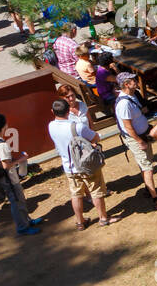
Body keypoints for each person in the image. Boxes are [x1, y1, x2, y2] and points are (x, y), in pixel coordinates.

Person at [48, 97, 117, 229]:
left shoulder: (51, 126)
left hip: (69, 167)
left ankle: (80, 221)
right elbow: (95, 137)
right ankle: (103, 218)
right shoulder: (77, 127)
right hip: (85, 165)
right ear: (69, 110)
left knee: (76, 194)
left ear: (53, 111)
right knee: (96, 190)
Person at [113, 73, 157, 213]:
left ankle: (148, 189)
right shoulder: (124, 103)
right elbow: (127, 126)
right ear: (126, 84)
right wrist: (139, 141)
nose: (136, 81)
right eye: (133, 80)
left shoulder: (133, 95)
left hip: (142, 135)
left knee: (145, 163)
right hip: (136, 138)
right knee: (147, 167)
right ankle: (156, 199)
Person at [0, 114, 41, 235]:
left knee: (19, 201)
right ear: (4, 126)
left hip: (0, 177)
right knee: (17, 202)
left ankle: (26, 221)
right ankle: (23, 228)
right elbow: (6, 166)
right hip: (8, 179)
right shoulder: (2, 146)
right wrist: (22, 159)